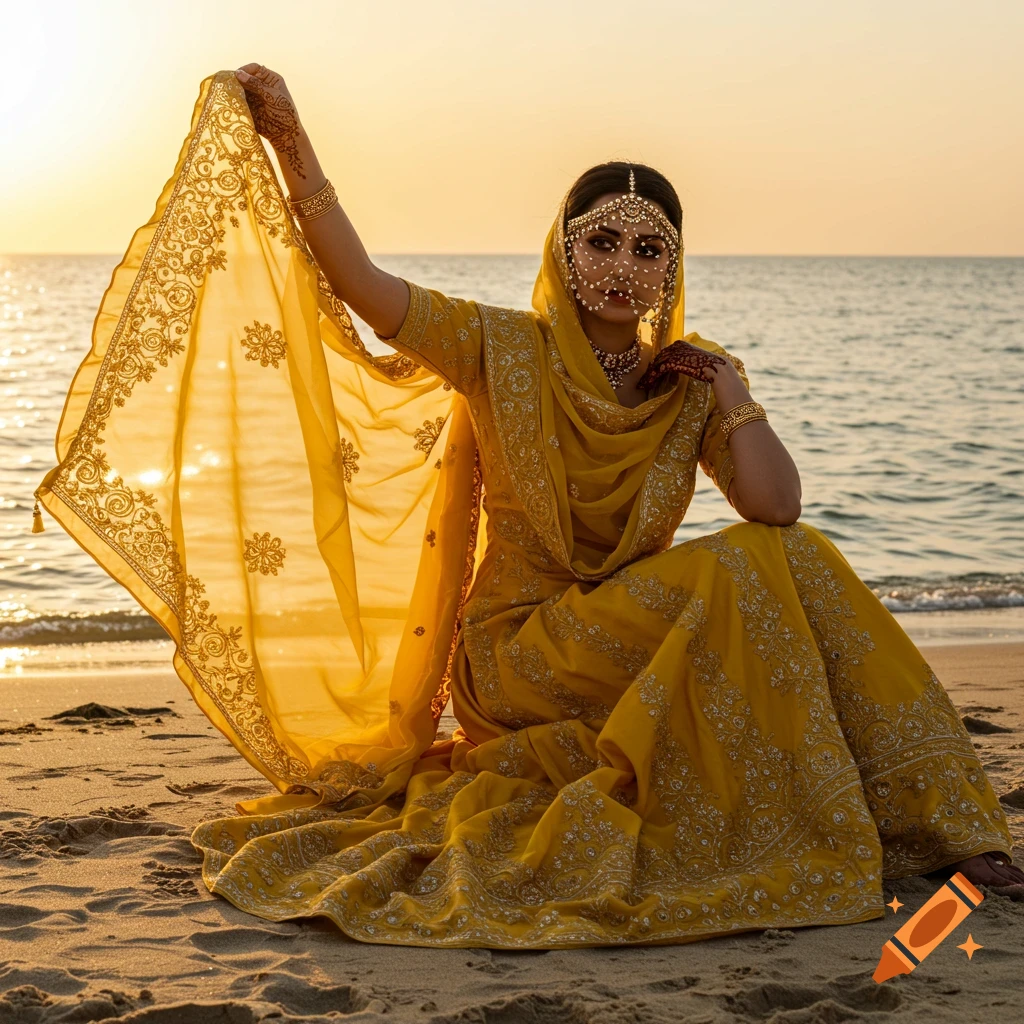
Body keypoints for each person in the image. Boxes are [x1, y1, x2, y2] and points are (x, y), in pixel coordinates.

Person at [36, 65, 1021, 951]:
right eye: (601, 239)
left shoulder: (688, 382)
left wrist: (729, 391)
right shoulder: (498, 348)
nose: (623, 264)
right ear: (562, 247)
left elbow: (775, 504)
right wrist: (296, 148)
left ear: (671, 268)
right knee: (751, 570)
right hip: (517, 655)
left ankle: (943, 821)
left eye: (648, 247)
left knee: (790, 557)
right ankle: (918, 824)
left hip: (629, 640)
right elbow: (366, 289)